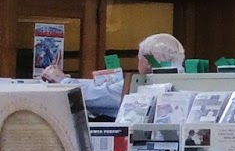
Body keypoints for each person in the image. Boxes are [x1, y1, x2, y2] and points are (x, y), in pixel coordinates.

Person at [40, 32, 186, 120]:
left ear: (147, 61)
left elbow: (95, 95)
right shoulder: (189, 82)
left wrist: (61, 80)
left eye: (139, 58)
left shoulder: (141, 85)